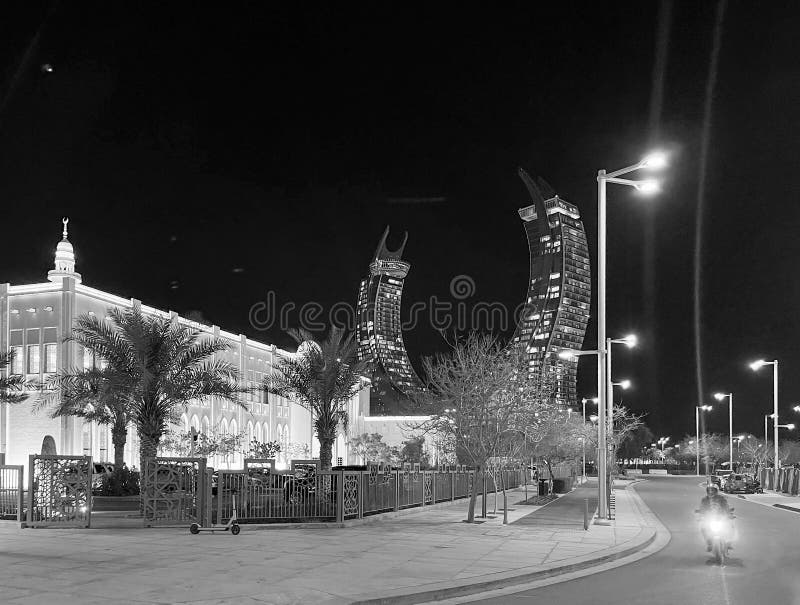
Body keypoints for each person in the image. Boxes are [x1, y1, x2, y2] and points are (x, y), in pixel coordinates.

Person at [698, 484, 734, 551]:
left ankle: (729, 541)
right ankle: (709, 543)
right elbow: (702, 508)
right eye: (709, 490)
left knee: (730, 526)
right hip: (710, 518)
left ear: (716, 491)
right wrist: (701, 514)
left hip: (721, 517)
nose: (711, 492)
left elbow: (726, 506)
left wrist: (729, 513)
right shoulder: (704, 499)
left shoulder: (721, 498)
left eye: (713, 490)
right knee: (703, 528)